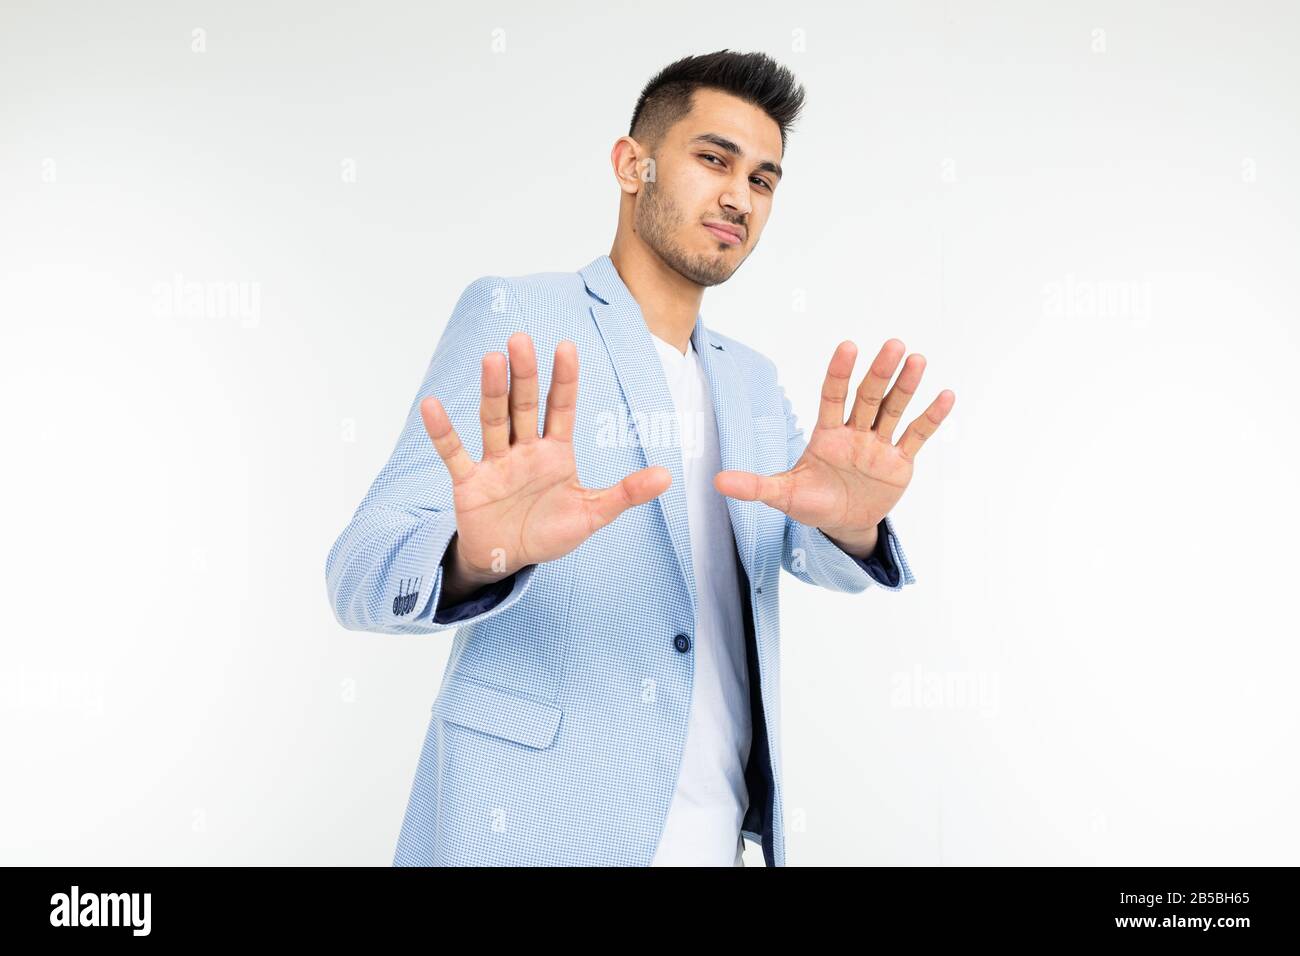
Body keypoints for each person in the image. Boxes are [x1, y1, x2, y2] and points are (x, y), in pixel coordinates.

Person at [325, 49, 954, 867]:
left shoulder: (752, 381)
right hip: (532, 827)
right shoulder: (518, 316)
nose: (739, 196)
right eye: (713, 159)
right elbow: (358, 571)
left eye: (763, 180)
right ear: (633, 164)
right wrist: (476, 557)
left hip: (717, 836)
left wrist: (853, 532)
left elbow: (799, 552)